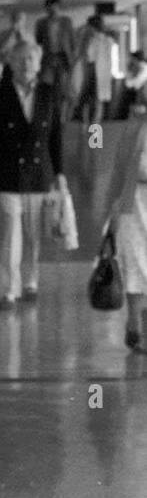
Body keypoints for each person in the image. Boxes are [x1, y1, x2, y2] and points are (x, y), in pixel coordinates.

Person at [0, 40, 66, 311]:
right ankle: (10, 291)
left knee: (33, 235)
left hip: (40, 175)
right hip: (8, 176)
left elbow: (56, 137)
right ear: (11, 63)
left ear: (38, 64)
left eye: (31, 59)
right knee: (10, 236)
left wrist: (60, 174)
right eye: (21, 59)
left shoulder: (49, 94)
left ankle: (31, 282)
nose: (26, 64)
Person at [104, 115, 147, 351]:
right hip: (133, 208)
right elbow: (119, 170)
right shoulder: (134, 128)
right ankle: (134, 323)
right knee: (134, 264)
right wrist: (112, 207)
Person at [34, 0, 77, 116]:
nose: (51, 10)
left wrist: (72, 57)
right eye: (49, 8)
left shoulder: (66, 21)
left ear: (58, 7)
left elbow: (72, 41)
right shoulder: (41, 22)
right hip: (49, 58)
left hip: (63, 58)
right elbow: (38, 40)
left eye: (54, 7)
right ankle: (50, 113)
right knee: (47, 86)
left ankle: (62, 115)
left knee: (63, 88)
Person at [72, 12, 115, 127]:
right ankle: (89, 134)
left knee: (93, 103)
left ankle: (92, 137)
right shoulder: (92, 39)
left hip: (95, 73)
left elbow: (87, 55)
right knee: (88, 102)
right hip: (90, 72)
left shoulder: (104, 40)